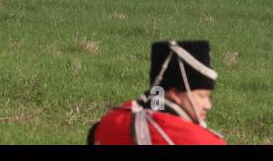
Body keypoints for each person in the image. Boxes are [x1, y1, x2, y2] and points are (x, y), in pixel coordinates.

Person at [87, 40, 226, 145]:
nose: (208, 105)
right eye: (202, 96)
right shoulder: (204, 141)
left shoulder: (105, 125)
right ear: (175, 94)